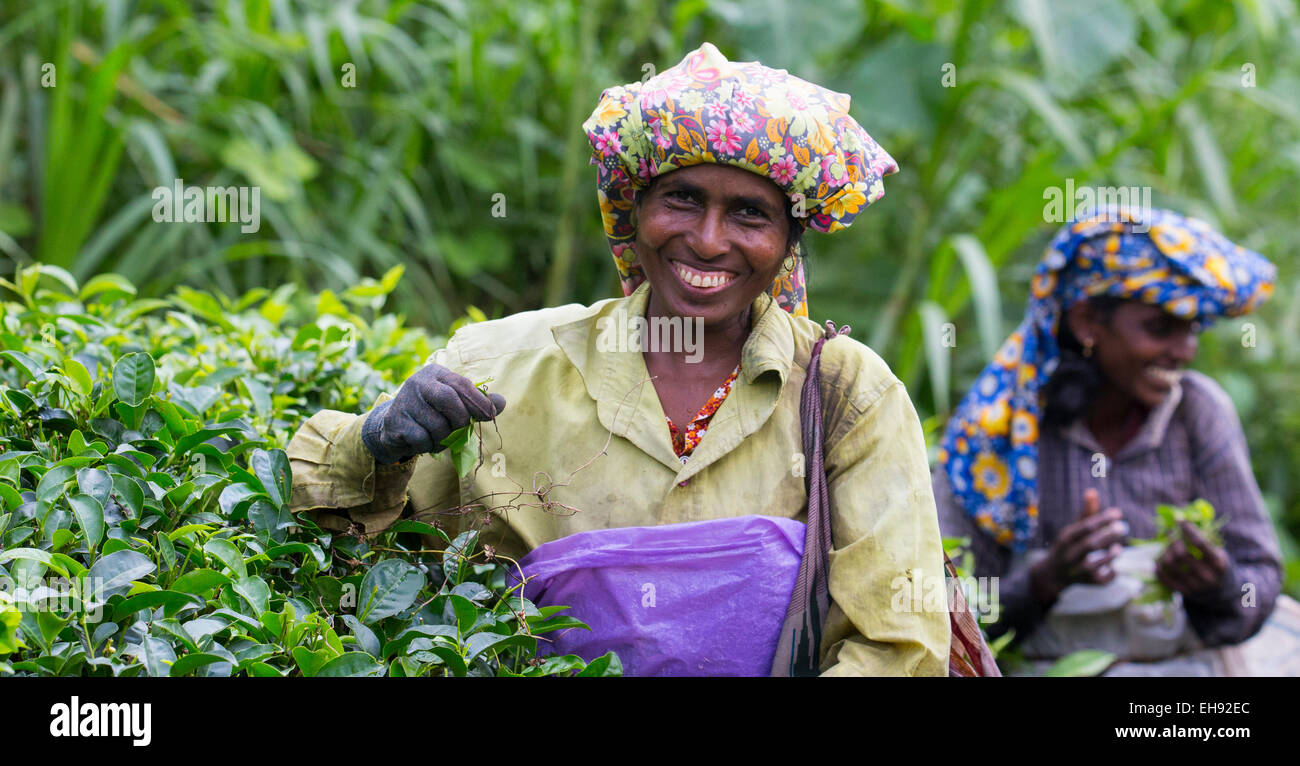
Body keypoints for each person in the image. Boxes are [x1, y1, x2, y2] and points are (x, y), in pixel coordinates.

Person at [286, 43, 950, 676]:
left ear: (788, 242)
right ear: (633, 209)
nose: (709, 240)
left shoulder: (848, 395)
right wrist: (376, 445)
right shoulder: (500, 365)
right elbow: (335, 543)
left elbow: (895, 644)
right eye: (683, 199)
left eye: (749, 214)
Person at [933, 206, 1291, 675]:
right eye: (1160, 327)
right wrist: (1046, 581)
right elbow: (941, 613)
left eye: (1192, 329)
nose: (1184, 351)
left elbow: (1260, 578)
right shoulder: (1001, 429)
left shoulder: (1198, 412)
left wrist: (1216, 584)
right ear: (1086, 322)